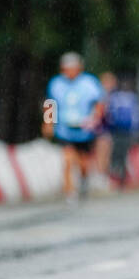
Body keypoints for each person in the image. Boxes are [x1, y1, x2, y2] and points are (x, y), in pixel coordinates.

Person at [43, 52, 105, 204]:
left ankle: (84, 180)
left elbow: (99, 103)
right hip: (65, 130)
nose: (69, 71)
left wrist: (95, 119)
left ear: (79, 68)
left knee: (83, 163)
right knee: (68, 160)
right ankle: (70, 192)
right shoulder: (56, 83)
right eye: (66, 68)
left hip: (84, 131)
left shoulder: (89, 83)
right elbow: (50, 104)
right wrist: (48, 123)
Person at [104, 74, 139, 188]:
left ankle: (122, 178)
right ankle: (117, 177)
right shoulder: (114, 97)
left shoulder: (130, 98)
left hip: (125, 130)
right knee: (116, 154)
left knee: (123, 154)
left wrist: (137, 129)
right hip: (116, 130)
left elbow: (137, 115)